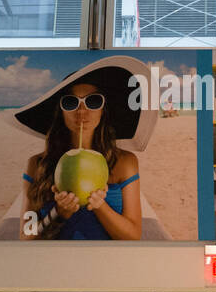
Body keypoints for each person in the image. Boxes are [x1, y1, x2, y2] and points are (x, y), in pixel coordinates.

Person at [21, 81, 142, 240]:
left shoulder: (126, 162)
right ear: (61, 111)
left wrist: (99, 206)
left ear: (103, 110)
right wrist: (58, 213)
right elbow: (26, 235)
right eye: (71, 102)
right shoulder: (37, 165)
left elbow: (133, 236)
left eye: (93, 101)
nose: (81, 111)